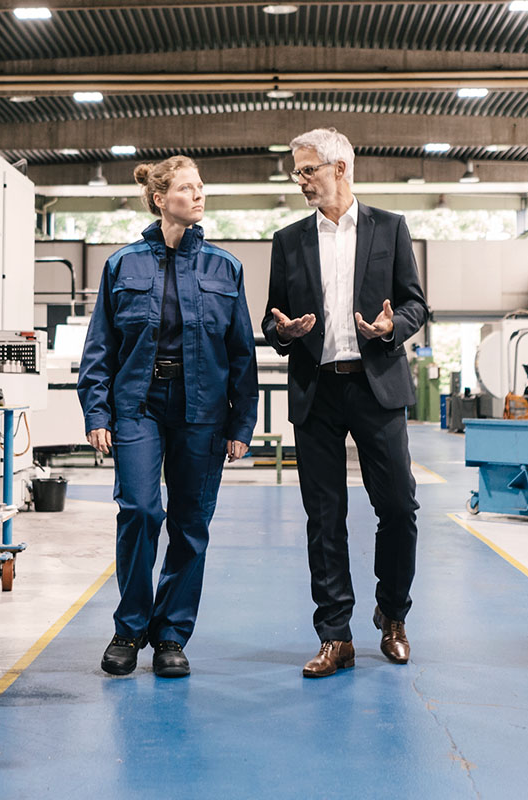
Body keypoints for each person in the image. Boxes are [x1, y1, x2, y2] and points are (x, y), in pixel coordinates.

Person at [78, 156, 258, 678]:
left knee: (190, 522)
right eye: (187, 188)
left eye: (200, 187)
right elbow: (100, 349)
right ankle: (130, 627)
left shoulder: (224, 267)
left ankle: (172, 634)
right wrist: (97, 411)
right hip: (138, 403)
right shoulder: (123, 264)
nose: (198, 195)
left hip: (202, 407)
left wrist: (240, 424)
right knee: (138, 509)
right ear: (160, 199)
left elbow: (241, 351)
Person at [262, 128, 429, 678]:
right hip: (317, 389)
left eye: (307, 169)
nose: (300, 179)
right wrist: (284, 331)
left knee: (399, 508)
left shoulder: (390, 227)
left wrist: (390, 327)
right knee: (324, 517)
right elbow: (272, 318)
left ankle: (394, 615)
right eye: (297, 170)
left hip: (375, 385)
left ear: (340, 169)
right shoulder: (288, 240)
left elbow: (414, 304)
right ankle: (336, 634)